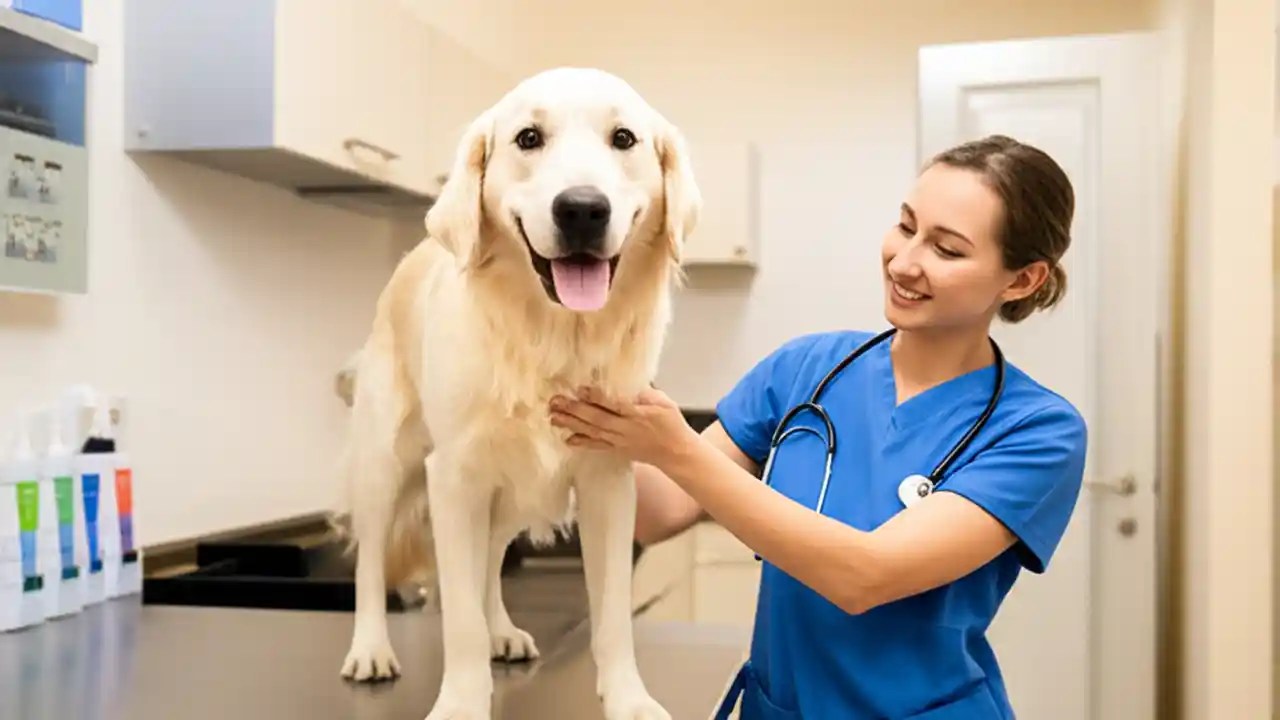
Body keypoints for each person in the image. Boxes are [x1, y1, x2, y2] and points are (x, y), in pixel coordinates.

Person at [548, 134, 1087, 719]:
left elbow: (864, 577)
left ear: (1022, 280)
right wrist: (584, 393)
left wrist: (676, 448)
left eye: (947, 250)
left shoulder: (1037, 431)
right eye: (906, 227)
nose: (905, 262)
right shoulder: (806, 369)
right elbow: (658, 514)